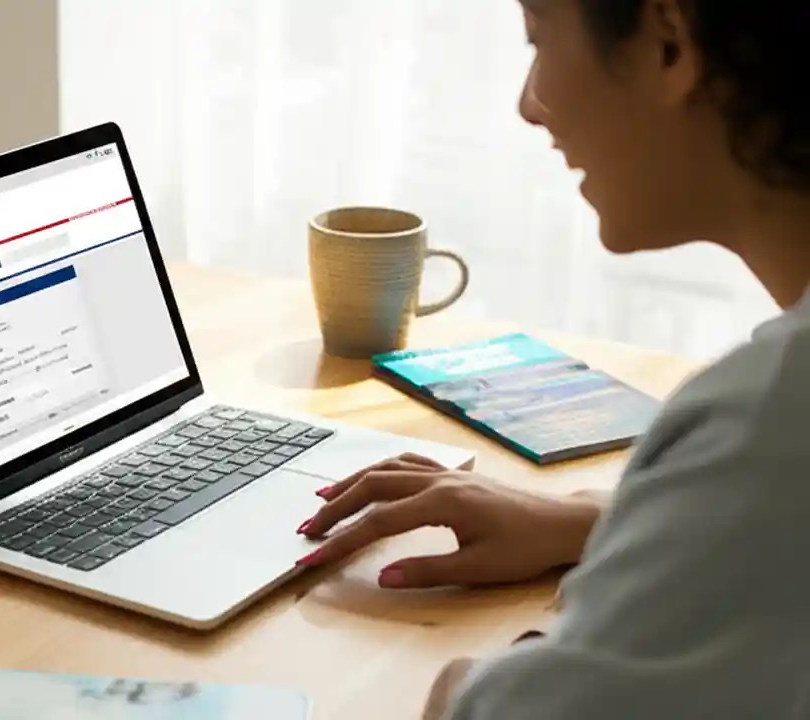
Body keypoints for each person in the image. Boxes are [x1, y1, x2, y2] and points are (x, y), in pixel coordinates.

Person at [294, 0, 810, 717]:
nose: (529, 104)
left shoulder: (767, 420)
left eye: (540, 38)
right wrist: (593, 522)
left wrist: (469, 687)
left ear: (668, 47)